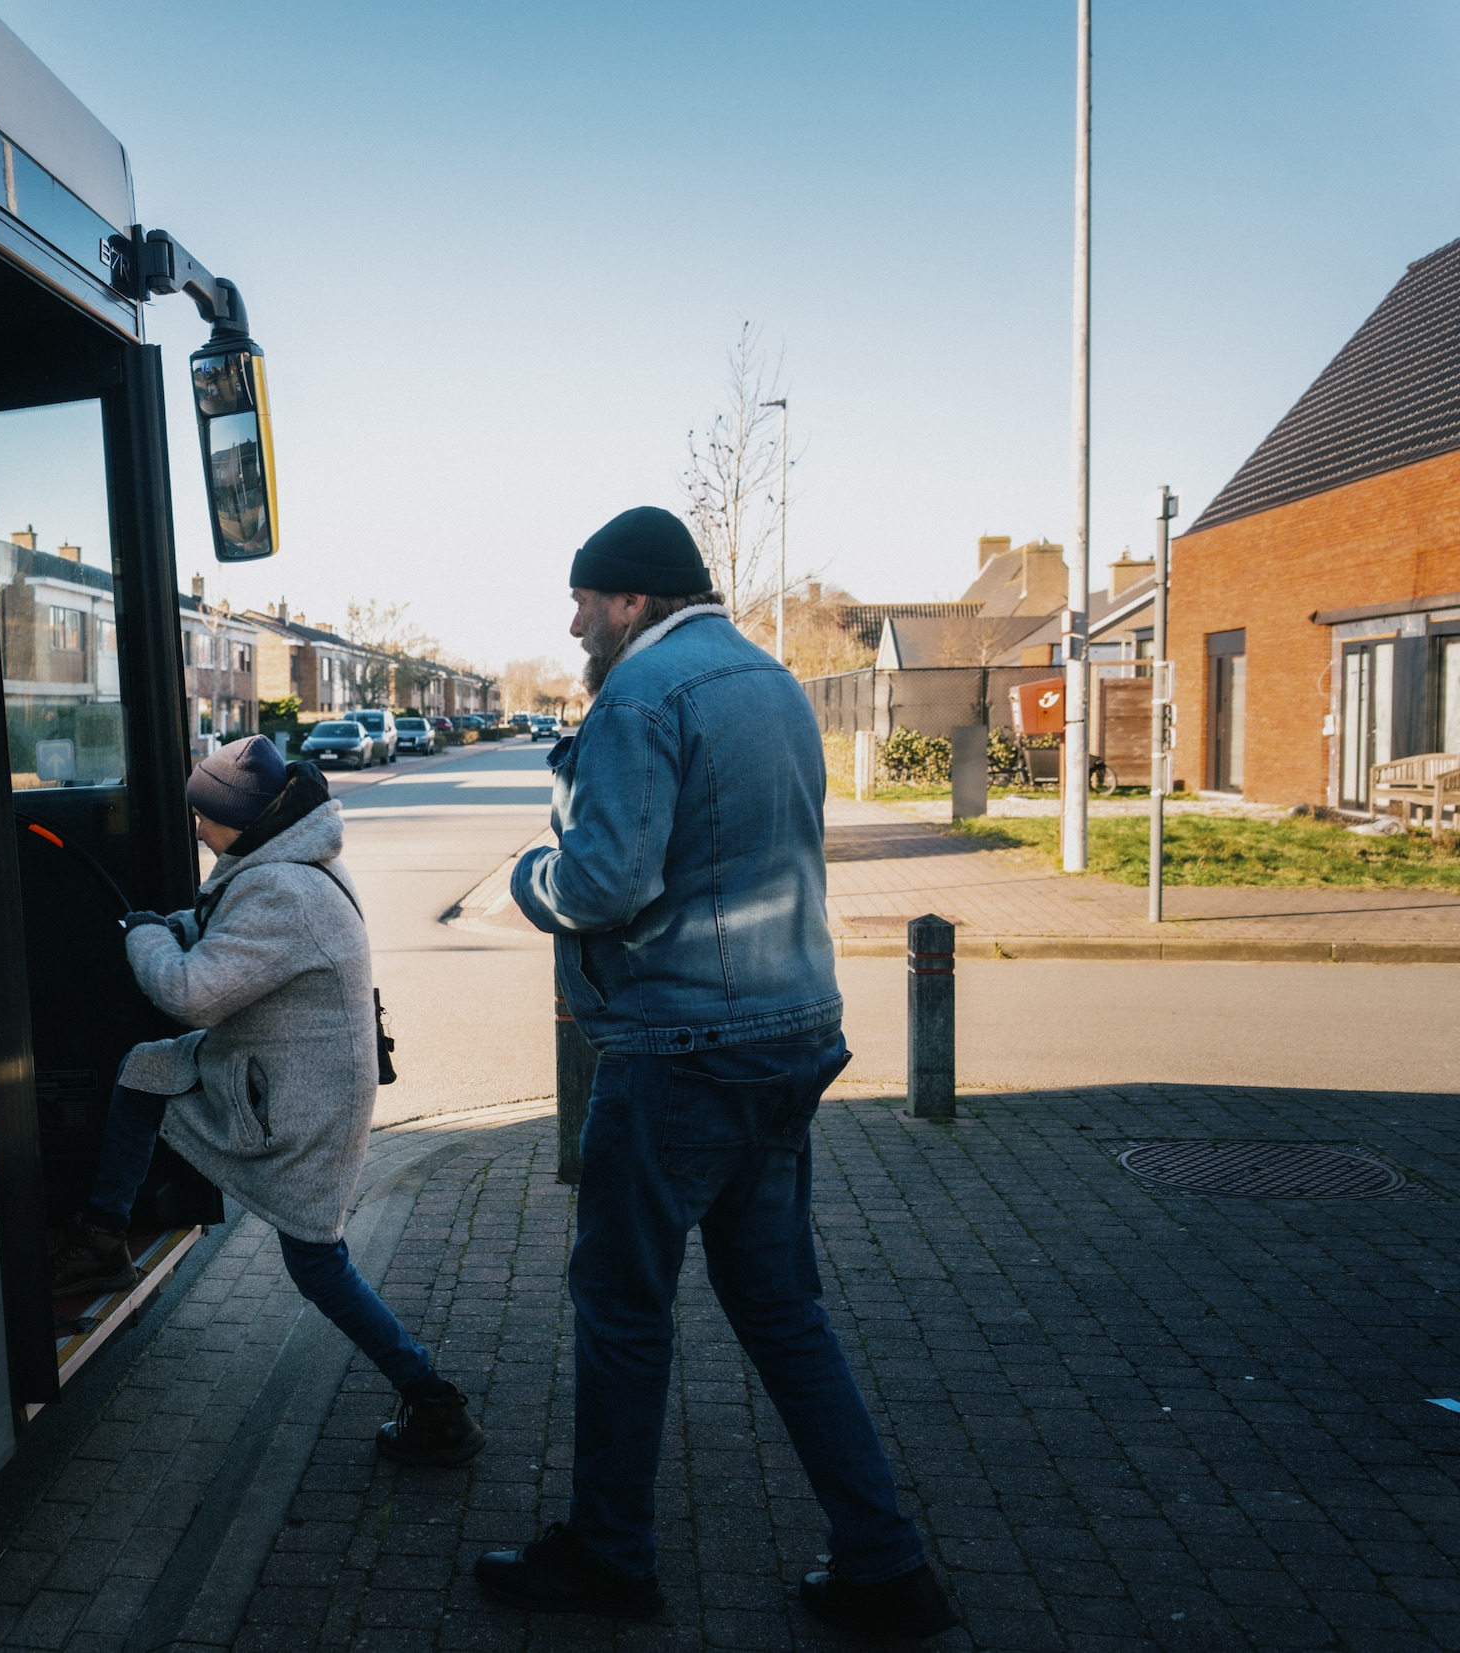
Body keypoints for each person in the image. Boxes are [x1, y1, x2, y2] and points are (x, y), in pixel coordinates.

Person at [477, 508, 953, 1637]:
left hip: (680, 1050)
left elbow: (605, 883)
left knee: (622, 1310)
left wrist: (525, 877)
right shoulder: (771, 682)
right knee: (781, 1311)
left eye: (584, 598)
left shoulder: (638, 697)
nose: (574, 619)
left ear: (630, 600)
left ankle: (609, 1559)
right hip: (786, 1037)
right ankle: (884, 1565)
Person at [51, 734, 484, 1467]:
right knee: (142, 1071)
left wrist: (147, 937)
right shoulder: (279, 865)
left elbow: (191, 993)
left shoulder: (284, 889)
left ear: (235, 820)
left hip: (302, 1104)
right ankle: (103, 1241)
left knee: (316, 1262)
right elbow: (230, 942)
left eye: (201, 813)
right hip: (275, 1070)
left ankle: (436, 1403)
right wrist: (178, 928)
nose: (193, 825)